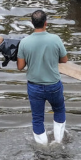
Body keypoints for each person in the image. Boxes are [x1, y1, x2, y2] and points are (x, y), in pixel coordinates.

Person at [17, 9, 68, 145]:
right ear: (46, 23)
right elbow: (64, 60)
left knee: (38, 118)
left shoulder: (24, 42)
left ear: (32, 23)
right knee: (59, 111)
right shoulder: (55, 39)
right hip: (53, 85)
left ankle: (43, 148)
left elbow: (20, 66)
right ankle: (58, 141)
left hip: (34, 87)